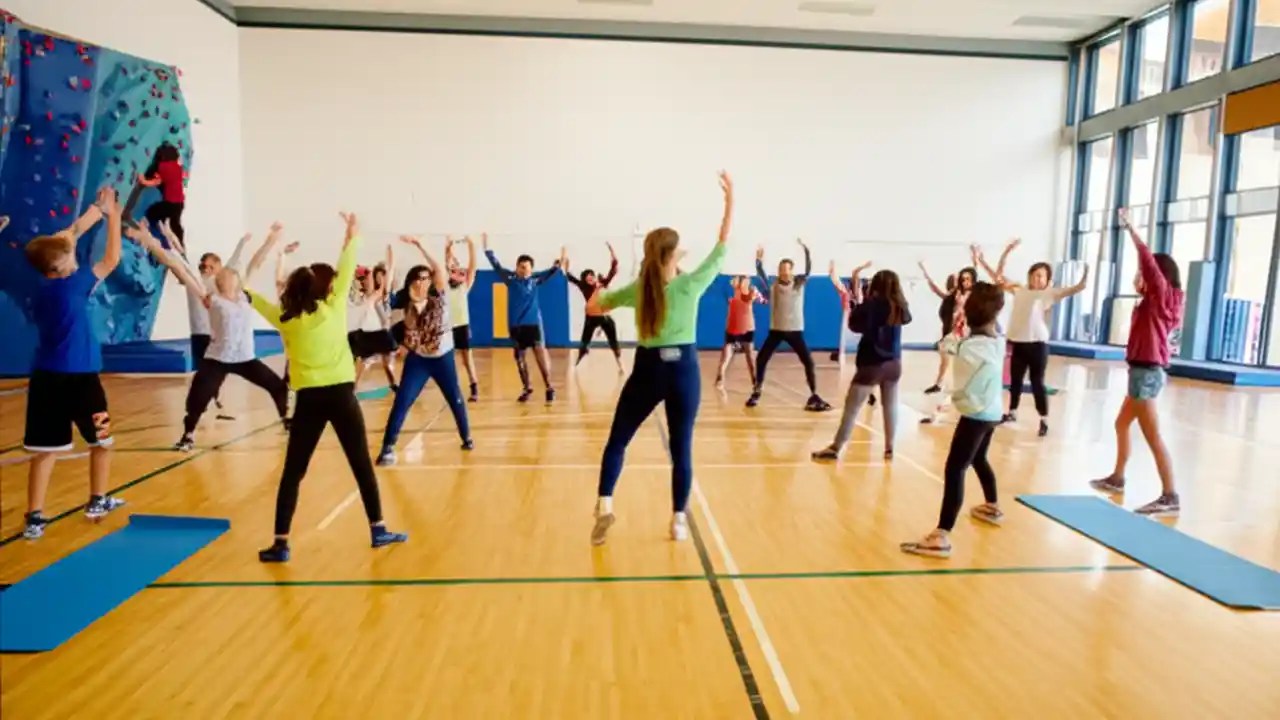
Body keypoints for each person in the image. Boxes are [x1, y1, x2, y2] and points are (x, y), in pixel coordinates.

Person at [245, 212, 408, 563]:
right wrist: (352, 233)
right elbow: (347, 263)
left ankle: (280, 543)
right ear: (323, 288)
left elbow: (255, 300)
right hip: (341, 397)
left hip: (308, 401)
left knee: (293, 472)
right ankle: (378, 529)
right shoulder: (333, 309)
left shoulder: (286, 319)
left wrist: (241, 291)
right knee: (361, 464)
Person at [590, 171, 733, 545]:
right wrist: (730, 200)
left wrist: (599, 287)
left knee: (618, 440)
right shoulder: (691, 285)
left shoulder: (639, 289)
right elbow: (722, 244)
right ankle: (678, 520)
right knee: (681, 448)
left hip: (647, 369)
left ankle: (604, 504)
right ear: (672, 256)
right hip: (683, 370)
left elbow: (593, 307)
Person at [126, 221, 291, 452]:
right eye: (224, 276)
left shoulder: (244, 296)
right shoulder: (212, 299)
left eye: (229, 275)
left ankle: (286, 420)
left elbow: (256, 262)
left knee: (278, 386)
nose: (227, 277)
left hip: (245, 359)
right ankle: (188, 435)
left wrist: (271, 240)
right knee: (198, 397)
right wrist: (150, 242)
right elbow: (178, 267)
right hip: (218, 359)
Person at [21, 187, 127, 540]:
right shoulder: (74, 286)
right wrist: (113, 218)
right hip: (81, 380)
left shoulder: (40, 286)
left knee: (44, 452)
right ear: (61, 265)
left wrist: (95, 210)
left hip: (46, 380)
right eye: (70, 254)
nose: (74, 253)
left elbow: (65, 240)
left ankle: (34, 516)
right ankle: (97, 499)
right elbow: (111, 258)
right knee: (102, 442)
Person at [1090, 208, 1185, 517]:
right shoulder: (1153, 302)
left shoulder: (1161, 297)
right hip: (1140, 372)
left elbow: (1148, 264)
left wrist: (1131, 228)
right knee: (1121, 424)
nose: (1139, 277)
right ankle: (1117, 478)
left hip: (1147, 373)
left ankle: (1170, 495)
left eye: (1145, 274)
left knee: (1153, 436)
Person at [900, 282, 1006, 559]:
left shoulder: (966, 346)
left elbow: (944, 345)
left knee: (955, 469)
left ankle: (941, 535)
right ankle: (992, 505)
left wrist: (956, 319)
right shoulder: (998, 342)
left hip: (975, 415)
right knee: (979, 458)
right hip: (992, 413)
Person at [975, 239, 1089, 437]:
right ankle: (1012, 412)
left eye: (1040, 276)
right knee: (1016, 381)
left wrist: (1086, 272)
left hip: (1037, 344)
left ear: (1047, 280)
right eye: (1034, 275)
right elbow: (998, 276)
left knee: (1037, 382)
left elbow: (1078, 287)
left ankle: (1044, 419)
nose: (1036, 279)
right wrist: (1005, 252)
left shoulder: (1049, 294)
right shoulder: (1019, 289)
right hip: (1019, 343)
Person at [376, 237, 473, 466]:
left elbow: (438, 269)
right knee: (403, 400)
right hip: (419, 359)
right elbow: (386, 293)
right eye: (418, 279)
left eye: (426, 278)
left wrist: (420, 246)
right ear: (411, 283)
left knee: (454, 397)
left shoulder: (439, 296)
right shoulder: (405, 302)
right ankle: (388, 447)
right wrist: (391, 264)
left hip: (443, 357)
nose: (423, 282)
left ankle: (466, 436)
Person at [812, 263, 909, 462]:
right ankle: (890, 448)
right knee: (890, 406)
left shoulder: (872, 305)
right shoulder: (900, 306)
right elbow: (906, 319)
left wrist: (859, 305)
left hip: (872, 364)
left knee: (852, 408)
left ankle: (836, 447)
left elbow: (854, 325)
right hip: (894, 363)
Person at [159, 222, 250, 420]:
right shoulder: (196, 281)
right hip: (199, 334)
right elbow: (180, 258)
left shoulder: (220, 284)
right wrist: (169, 236)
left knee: (217, 371)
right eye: (203, 266)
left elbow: (233, 263)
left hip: (215, 334)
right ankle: (202, 405)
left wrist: (243, 243)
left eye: (211, 266)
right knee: (206, 372)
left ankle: (212, 401)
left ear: (218, 268)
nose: (206, 269)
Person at [746, 239, 831, 412]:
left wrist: (806, 250)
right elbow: (760, 273)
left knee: (809, 362)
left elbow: (808, 269)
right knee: (761, 359)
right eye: (781, 269)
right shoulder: (773, 286)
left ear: (792, 271)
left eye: (786, 269)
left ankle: (814, 394)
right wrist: (758, 260)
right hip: (776, 331)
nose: (784, 272)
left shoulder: (799, 284)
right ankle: (757, 391)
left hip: (795, 331)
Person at [484, 238, 566, 403]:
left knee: (540, 354)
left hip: (533, 324)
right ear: (517, 267)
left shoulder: (535, 280)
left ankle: (549, 387)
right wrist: (487, 250)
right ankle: (527, 388)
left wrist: (559, 262)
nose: (523, 270)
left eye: (527, 267)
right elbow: (496, 266)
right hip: (516, 326)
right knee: (519, 358)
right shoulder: (510, 279)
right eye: (521, 267)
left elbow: (552, 271)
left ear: (531, 269)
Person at [919, 262, 976, 394]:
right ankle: (940, 384)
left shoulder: (970, 294)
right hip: (954, 330)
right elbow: (935, 288)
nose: (963, 282)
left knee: (959, 359)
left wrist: (976, 260)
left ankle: (961, 385)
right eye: (961, 280)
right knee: (946, 357)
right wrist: (925, 272)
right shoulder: (953, 295)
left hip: (963, 330)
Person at [346, 246, 398, 391]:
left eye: (383, 276)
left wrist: (391, 254)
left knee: (387, 362)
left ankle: (393, 383)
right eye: (378, 276)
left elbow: (391, 270)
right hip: (370, 332)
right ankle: (354, 387)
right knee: (364, 361)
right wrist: (364, 270)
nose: (381, 279)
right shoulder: (370, 294)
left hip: (382, 332)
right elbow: (366, 282)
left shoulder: (385, 293)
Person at [566, 242, 623, 371]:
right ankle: (578, 362)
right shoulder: (583, 287)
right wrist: (565, 264)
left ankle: (620, 364)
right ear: (585, 280)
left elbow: (613, 269)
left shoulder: (602, 284)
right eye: (587, 277)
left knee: (613, 341)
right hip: (591, 318)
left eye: (591, 276)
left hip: (604, 317)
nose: (590, 278)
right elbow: (569, 277)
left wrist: (612, 252)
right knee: (584, 341)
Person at [828, 261, 877, 406]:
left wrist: (833, 271)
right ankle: (866, 390)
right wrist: (863, 267)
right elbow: (845, 278)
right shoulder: (848, 294)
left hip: (857, 328)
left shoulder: (861, 299)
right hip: (852, 327)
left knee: (864, 363)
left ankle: (869, 391)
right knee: (860, 363)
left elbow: (849, 277)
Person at [445, 234, 480, 402]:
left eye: (457, 269)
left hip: (462, 325)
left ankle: (474, 386)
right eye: (451, 269)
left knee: (467, 357)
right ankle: (453, 389)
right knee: (448, 359)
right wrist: (448, 248)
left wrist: (471, 245)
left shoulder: (463, 286)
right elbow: (447, 263)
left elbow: (473, 266)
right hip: (447, 326)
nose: (454, 271)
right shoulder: (444, 286)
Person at [715, 275, 765, 389]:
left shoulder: (751, 292)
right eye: (743, 279)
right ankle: (720, 377)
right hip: (734, 326)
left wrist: (758, 295)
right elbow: (731, 290)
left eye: (747, 280)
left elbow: (762, 300)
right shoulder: (733, 290)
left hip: (746, 326)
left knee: (749, 356)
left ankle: (754, 380)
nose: (745, 282)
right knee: (727, 354)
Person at [137, 142, 186, 241]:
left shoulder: (162, 166)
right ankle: (179, 241)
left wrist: (144, 181)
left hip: (169, 204)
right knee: (175, 223)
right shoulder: (179, 167)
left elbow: (156, 181)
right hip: (180, 204)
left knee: (151, 213)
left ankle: (154, 236)